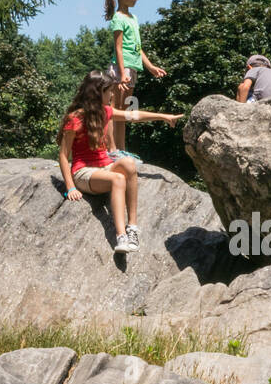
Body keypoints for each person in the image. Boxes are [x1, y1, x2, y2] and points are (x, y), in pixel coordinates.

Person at [58, 71, 182, 257]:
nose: (113, 95)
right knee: (117, 179)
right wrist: (69, 187)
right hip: (84, 172)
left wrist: (164, 117)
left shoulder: (105, 112)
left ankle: (132, 227)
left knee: (129, 165)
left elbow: (134, 115)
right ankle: (121, 236)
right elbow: (63, 155)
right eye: (109, 91)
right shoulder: (75, 118)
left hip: (105, 166)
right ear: (98, 93)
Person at [104, 0, 167, 155]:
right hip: (119, 69)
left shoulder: (133, 18)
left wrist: (150, 67)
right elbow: (118, 48)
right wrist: (122, 73)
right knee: (113, 110)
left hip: (132, 69)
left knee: (124, 111)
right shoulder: (118, 18)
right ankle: (112, 149)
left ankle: (122, 149)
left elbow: (137, 48)